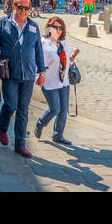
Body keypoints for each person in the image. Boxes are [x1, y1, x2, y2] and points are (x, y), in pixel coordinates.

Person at [0, 0, 46, 157]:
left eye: (26, 8)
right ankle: (3, 128)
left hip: (28, 73)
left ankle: (20, 144)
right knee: (10, 105)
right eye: (20, 7)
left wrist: (41, 72)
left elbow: (38, 51)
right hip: (10, 72)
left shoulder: (33, 26)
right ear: (14, 7)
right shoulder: (3, 23)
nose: (23, 11)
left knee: (23, 110)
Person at [35, 15, 78, 145]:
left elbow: (64, 62)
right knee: (55, 109)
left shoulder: (62, 43)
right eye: (55, 27)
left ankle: (58, 135)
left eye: (60, 28)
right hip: (49, 81)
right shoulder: (43, 43)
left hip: (63, 82)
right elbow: (36, 62)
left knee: (63, 110)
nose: (58, 30)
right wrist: (37, 77)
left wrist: (72, 57)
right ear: (49, 28)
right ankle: (40, 123)